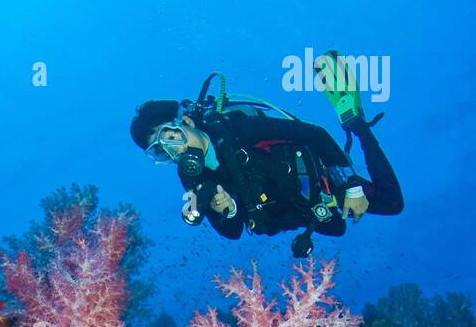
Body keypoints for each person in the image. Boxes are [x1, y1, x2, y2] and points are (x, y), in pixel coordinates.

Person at [130, 60, 403, 255]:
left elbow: (315, 135)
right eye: (159, 151)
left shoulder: (238, 130)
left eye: (169, 137)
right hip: (292, 210)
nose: (172, 151)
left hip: (319, 181)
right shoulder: (191, 175)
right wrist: (227, 207)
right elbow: (233, 231)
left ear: (186, 121)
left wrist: (352, 187)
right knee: (336, 227)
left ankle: (357, 124)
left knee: (392, 202)